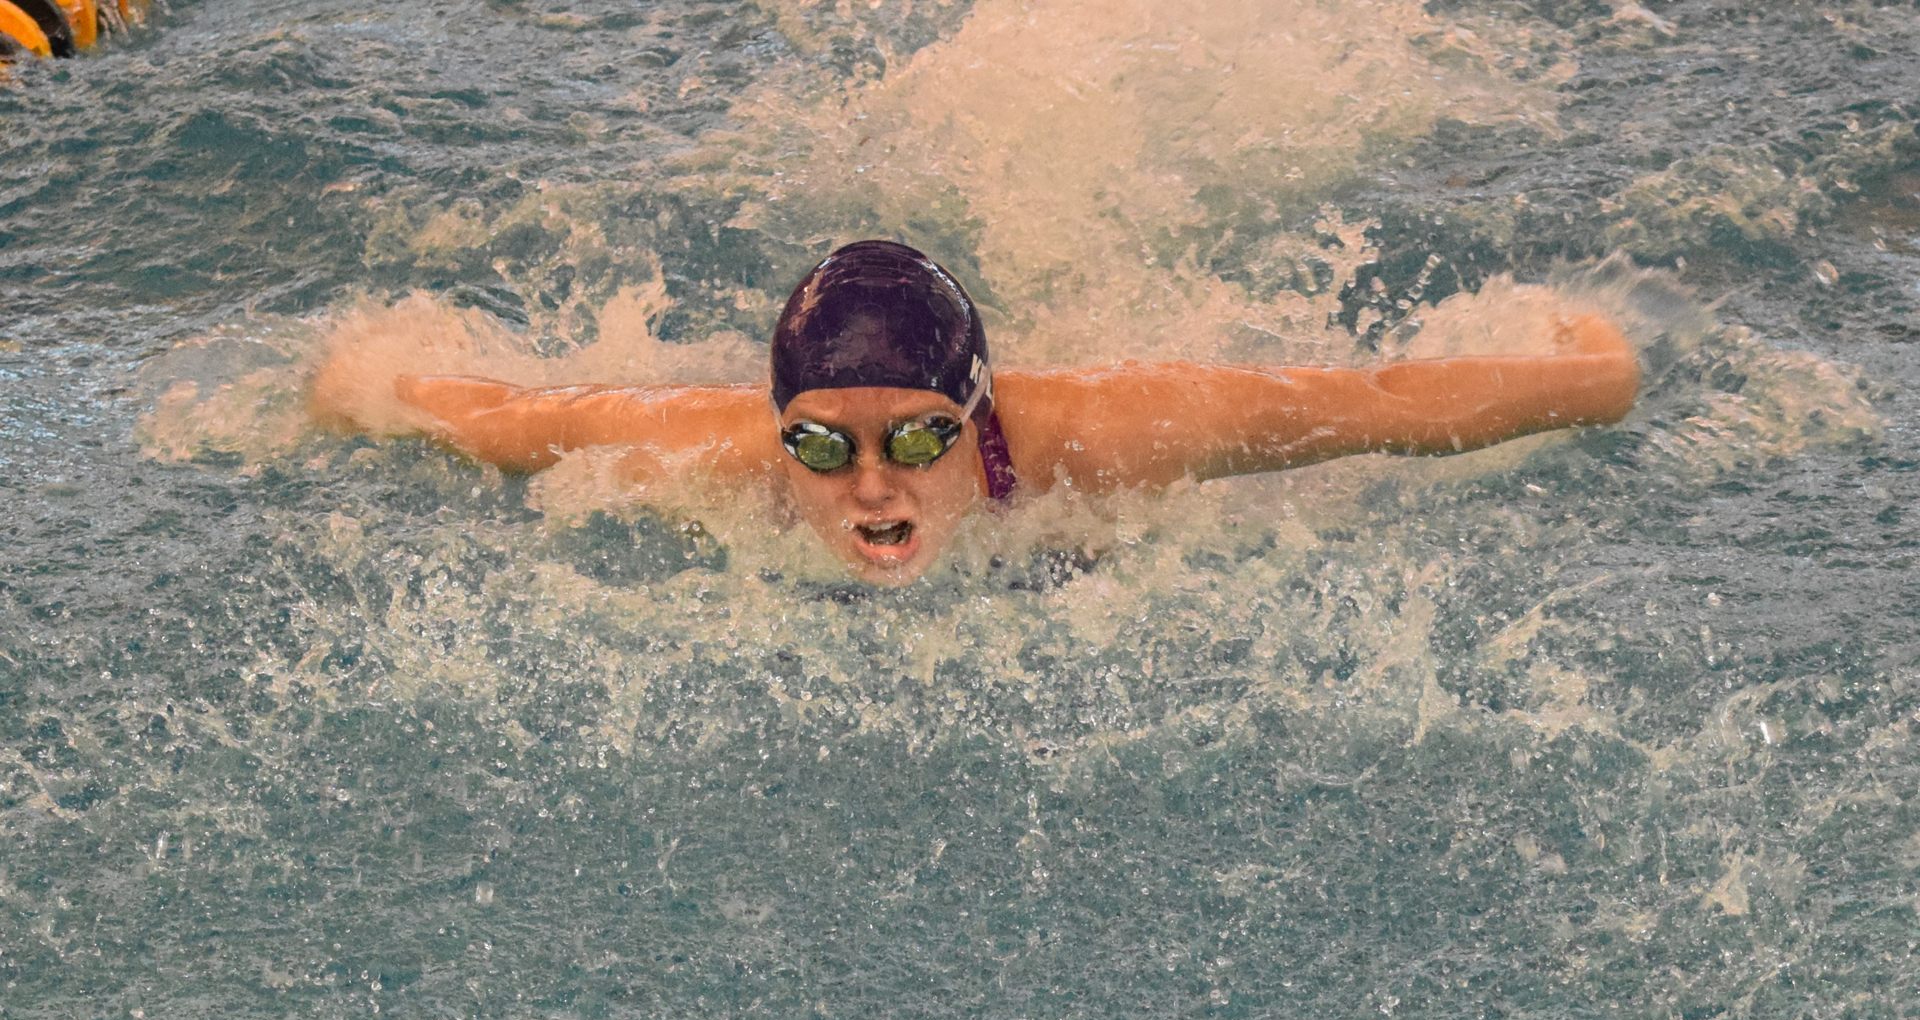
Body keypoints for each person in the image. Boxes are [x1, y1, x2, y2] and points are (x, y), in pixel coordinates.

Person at [311, 240, 1639, 585]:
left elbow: (1377, 407)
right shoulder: (702, 453)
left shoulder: (1112, 435)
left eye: (922, 439)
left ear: (980, 423)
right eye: (824, 447)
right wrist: (356, 391)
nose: (873, 490)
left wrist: (1598, 378)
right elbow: (488, 416)